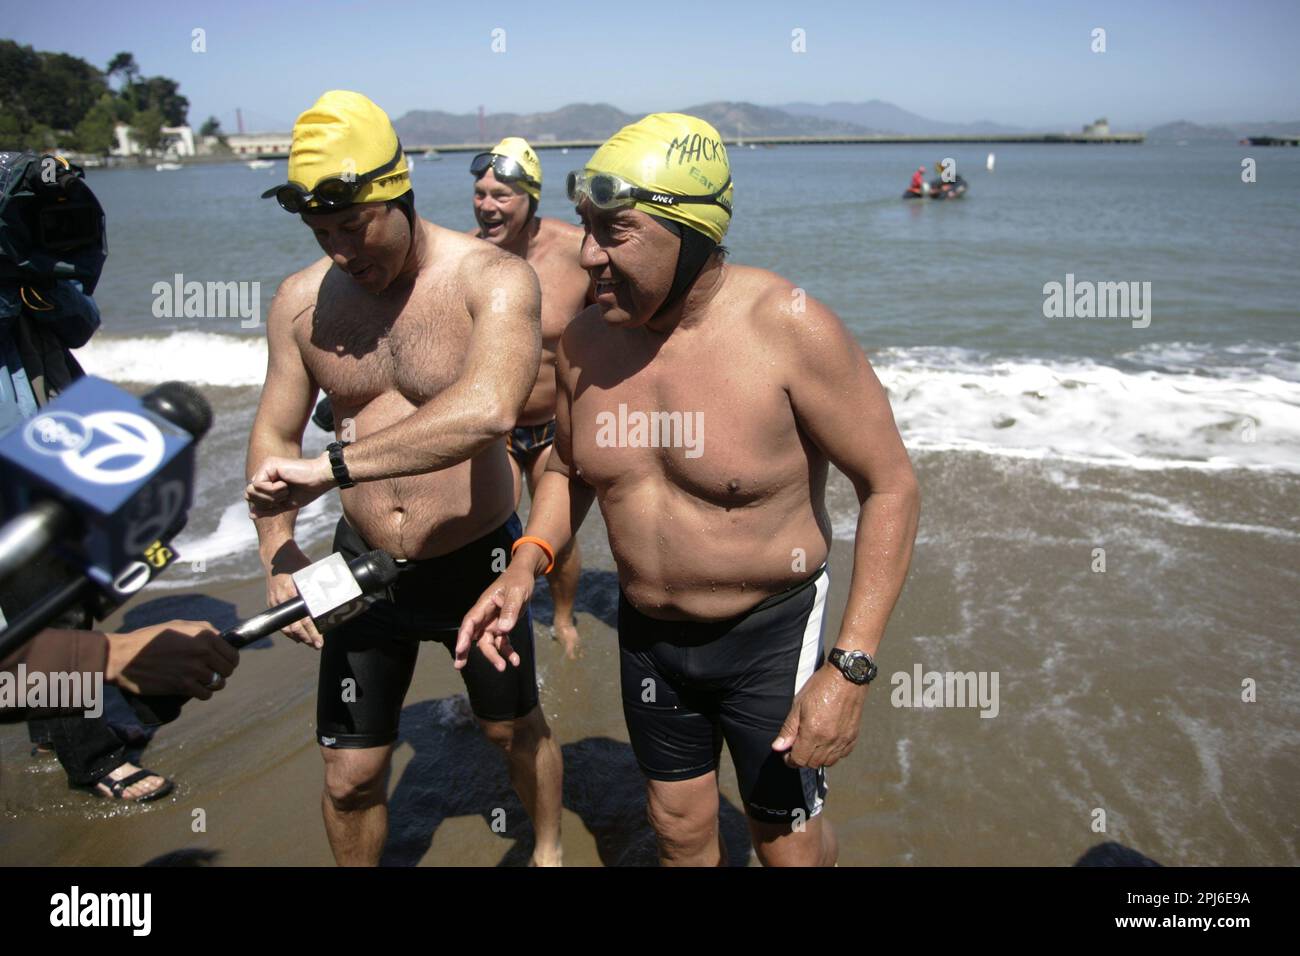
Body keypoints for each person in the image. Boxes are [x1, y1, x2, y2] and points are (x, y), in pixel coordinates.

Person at [457, 113, 920, 867]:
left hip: (769, 635)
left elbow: (892, 487)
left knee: (786, 847)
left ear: (694, 231)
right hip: (651, 640)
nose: (588, 255)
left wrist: (851, 668)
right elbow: (570, 469)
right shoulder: (585, 341)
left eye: (615, 232)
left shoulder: (789, 329)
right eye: (584, 227)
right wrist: (525, 561)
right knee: (677, 833)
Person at [245, 91, 563, 866]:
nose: (343, 251)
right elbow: (274, 435)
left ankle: (548, 849)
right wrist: (279, 552)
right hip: (355, 567)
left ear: (400, 194)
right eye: (322, 234)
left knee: (508, 730)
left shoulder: (490, 278)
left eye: (354, 227)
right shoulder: (299, 303)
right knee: (349, 773)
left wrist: (332, 466)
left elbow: (488, 411)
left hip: (477, 559)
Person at [1, 277, 233, 801]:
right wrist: (113, 655)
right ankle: (90, 757)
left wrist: (38, 271)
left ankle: (53, 730)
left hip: (48, 423)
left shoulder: (30, 217)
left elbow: (78, 321)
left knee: (66, 595)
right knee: (40, 608)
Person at [467, 138, 589, 659]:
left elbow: (622, 320)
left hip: (552, 426)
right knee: (491, 534)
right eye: (481, 193)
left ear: (531, 200)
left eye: (502, 195)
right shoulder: (468, 258)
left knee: (554, 537)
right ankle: (501, 621)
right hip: (492, 426)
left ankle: (562, 616)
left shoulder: (577, 251)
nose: (488, 205)